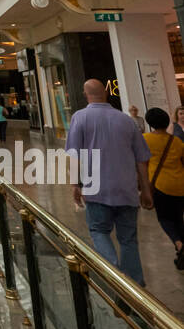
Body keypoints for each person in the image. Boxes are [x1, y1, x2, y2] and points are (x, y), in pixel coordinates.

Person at [65, 79, 152, 285]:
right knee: (129, 240)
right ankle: (134, 284)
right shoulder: (127, 121)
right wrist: (146, 190)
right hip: (127, 191)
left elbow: (74, 155)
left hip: (96, 190)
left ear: (86, 95)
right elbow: (142, 159)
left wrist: (75, 184)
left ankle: (115, 278)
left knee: (99, 231)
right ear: (106, 93)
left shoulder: (80, 117)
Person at [143, 107, 184, 269]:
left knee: (165, 218)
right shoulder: (176, 141)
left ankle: (179, 244)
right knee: (178, 218)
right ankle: (181, 254)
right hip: (180, 184)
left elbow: (141, 162)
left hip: (160, 185)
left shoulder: (145, 139)